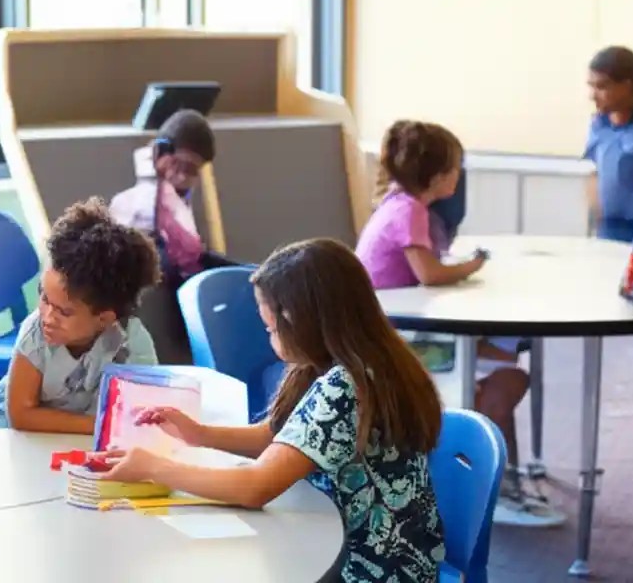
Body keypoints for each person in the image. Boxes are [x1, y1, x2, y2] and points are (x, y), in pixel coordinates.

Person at [100, 238, 445, 582]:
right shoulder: (366, 360)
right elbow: (279, 438)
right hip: (386, 558)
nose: (269, 337)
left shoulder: (345, 386)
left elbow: (256, 487)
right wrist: (200, 434)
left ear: (299, 320)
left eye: (271, 328)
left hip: (369, 570)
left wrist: (155, 467)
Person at [357, 120, 562, 526]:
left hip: (396, 334)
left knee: (504, 357)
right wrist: (474, 265)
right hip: (401, 345)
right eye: (455, 168)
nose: (459, 175)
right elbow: (430, 274)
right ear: (437, 176)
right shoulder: (410, 210)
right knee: (510, 377)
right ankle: (489, 487)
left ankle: (497, 475)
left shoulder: (397, 203)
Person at [0, 198, 161, 433]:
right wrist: (102, 425)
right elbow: (21, 415)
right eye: (44, 297)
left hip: (83, 429)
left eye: (64, 312)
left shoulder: (131, 342)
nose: (47, 317)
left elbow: (138, 412)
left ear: (105, 319)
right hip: (22, 431)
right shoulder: (36, 332)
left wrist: (112, 425)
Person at [110, 109, 234, 286]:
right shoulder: (135, 204)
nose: (183, 177)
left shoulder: (178, 204)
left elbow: (194, 257)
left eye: (192, 170)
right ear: (159, 152)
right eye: (179, 165)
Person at [585, 46, 633, 244]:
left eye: (601, 87)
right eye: (591, 86)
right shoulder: (597, 125)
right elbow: (595, 171)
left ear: (626, 86)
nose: (592, 95)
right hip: (606, 230)